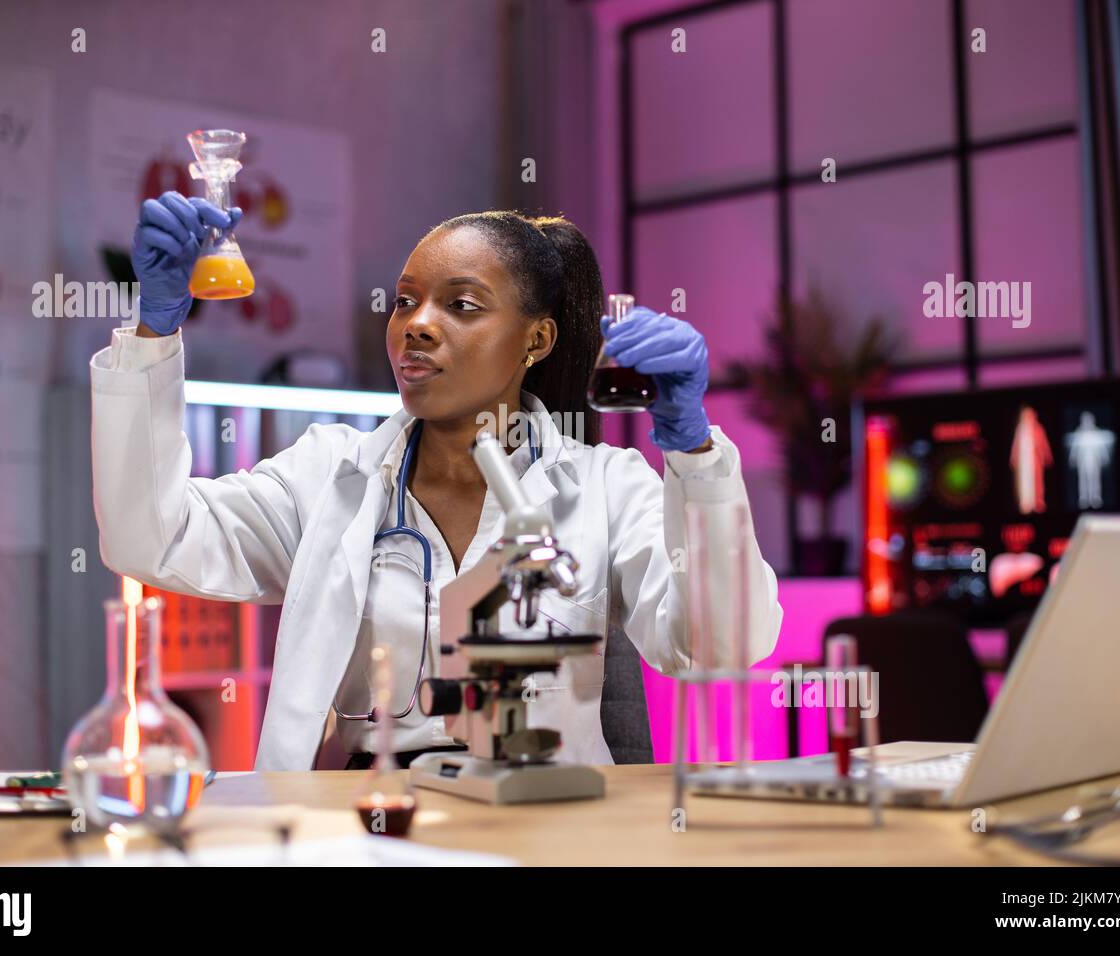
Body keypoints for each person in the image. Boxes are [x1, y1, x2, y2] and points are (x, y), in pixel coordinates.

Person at [89, 194, 782, 771]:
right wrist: (154, 330)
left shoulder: (604, 486)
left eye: (462, 305)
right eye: (405, 302)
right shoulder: (330, 475)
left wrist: (692, 449)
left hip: (545, 823)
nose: (416, 326)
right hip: (368, 819)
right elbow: (151, 537)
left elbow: (719, 644)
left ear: (535, 342)